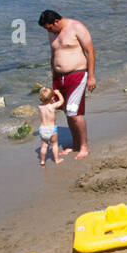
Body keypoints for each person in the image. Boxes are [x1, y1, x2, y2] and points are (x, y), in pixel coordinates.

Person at [37, 10, 96, 159]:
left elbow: (90, 51)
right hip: (59, 78)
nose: (48, 31)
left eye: (49, 27)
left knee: (74, 113)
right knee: (67, 113)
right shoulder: (52, 33)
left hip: (77, 74)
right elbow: (53, 55)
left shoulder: (76, 27)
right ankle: (75, 144)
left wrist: (91, 77)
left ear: (56, 21)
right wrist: (53, 77)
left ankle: (84, 147)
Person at [36, 84, 65, 166]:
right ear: (52, 98)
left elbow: (44, 101)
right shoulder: (52, 106)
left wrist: (47, 95)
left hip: (42, 129)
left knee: (44, 146)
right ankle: (56, 160)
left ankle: (42, 161)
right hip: (52, 129)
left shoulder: (40, 106)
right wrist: (58, 93)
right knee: (54, 145)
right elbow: (62, 101)